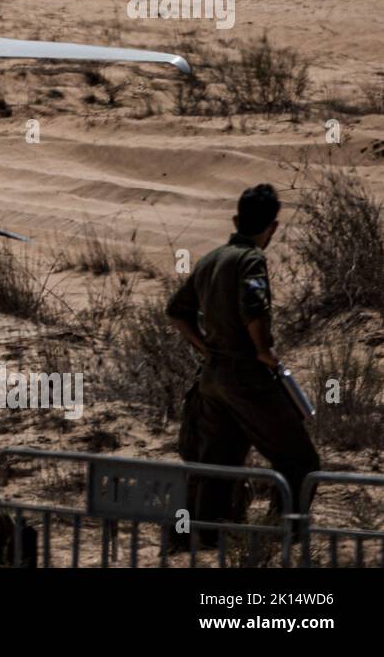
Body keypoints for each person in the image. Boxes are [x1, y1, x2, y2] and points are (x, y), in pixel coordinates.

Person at [166, 184, 319, 539]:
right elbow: (254, 310)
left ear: (236, 219)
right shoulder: (251, 259)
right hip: (246, 377)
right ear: (273, 227)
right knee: (302, 462)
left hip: (212, 378)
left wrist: (204, 348)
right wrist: (264, 350)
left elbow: (177, 311)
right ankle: (284, 537)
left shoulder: (211, 259)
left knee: (219, 466)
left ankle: (204, 540)